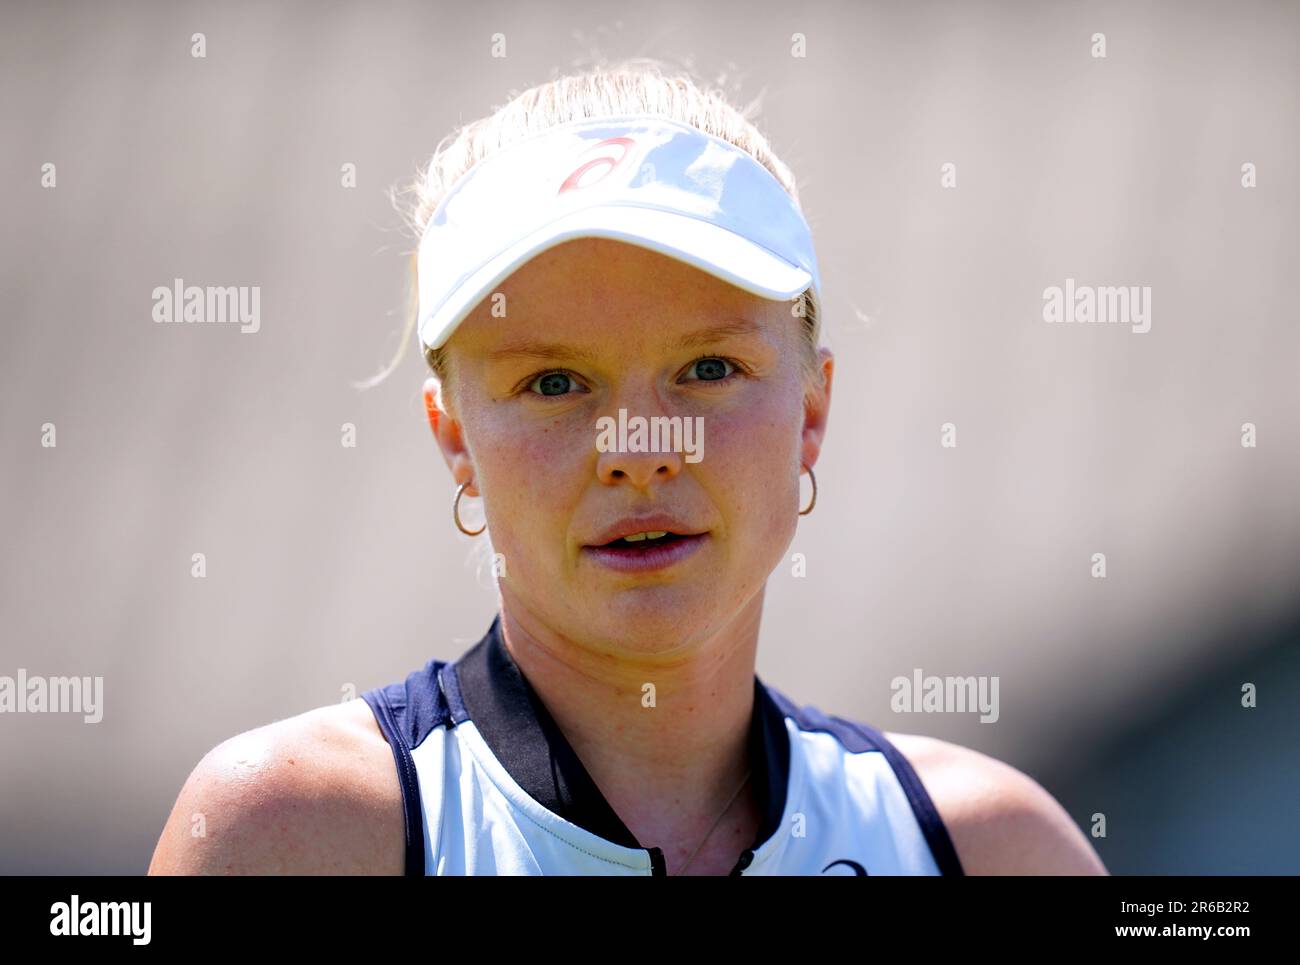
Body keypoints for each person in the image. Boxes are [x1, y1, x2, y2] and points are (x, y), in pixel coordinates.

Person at [149, 61, 1107, 876]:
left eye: (708, 369)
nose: (641, 452)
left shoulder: (988, 850)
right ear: (455, 440)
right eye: (555, 381)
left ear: (810, 412)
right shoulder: (289, 835)